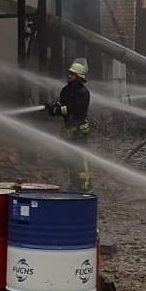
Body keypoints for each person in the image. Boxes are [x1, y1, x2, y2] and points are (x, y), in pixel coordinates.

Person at [45, 60, 92, 192]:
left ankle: (86, 187)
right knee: (71, 161)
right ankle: (74, 185)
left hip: (80, 133)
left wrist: (59, 110)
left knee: (83, 161)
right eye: (69, 73)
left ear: (79, 76)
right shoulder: (65, 90)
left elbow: (76, 108)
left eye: (72, 74)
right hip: (69, 132)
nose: (69, 75)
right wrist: (53, 108)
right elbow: (61, 105)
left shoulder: (83, 92)